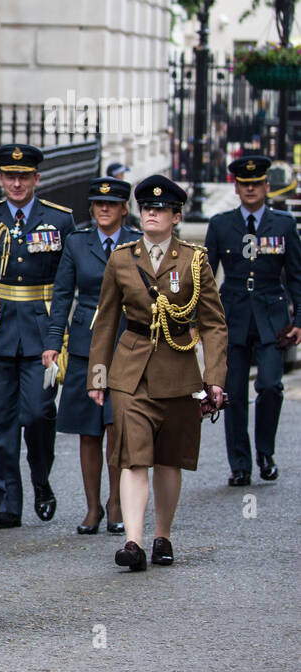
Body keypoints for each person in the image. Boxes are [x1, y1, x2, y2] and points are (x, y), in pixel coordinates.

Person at [88, 176, 227, 572]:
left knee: (169, 459)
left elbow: (214, 324)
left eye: (160, 209)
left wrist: (214, 377)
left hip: (179, 370)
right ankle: (132, 542)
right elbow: (106, 321)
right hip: (130, 372)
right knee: (133, 458)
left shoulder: (194, 261)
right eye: (146, 207)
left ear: (176, 217)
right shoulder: (121, 258)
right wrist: (97, 377)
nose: (151, 212)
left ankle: (161, 535)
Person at [0, 143, 75, 527]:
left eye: (24, 177)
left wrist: (56, 336)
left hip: (39, 330)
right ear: (0, 179)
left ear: (36, 179)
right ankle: (8, 499)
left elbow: (65, 285)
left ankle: (41, 478)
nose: (16, 183)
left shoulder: (59, 220)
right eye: (9, 177)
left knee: (37, 412)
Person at [43, 176, 142, 535]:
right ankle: (91, 507)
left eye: (112, 204)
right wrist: (54, 341)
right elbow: (62, 294)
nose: (104, 209)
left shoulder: (136, 242)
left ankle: (116, 502)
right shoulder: (77, 242)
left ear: (123, 209)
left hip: (126, 339)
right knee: (88, 429)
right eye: (99, 204)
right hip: (86, 342)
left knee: (118, 426)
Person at [205, 155, 301, 486]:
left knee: (271, 385)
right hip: (232, 316)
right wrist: (201, 322)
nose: (250, 189)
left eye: (256, 184)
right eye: (245, 185)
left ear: (266, 187)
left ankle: (265, 451)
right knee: (232, 393)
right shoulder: (220, 225)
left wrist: (299, 317)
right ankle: (240, 465)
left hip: (272, 316)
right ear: (236, 187)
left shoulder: (284, 224)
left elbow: (297, 277)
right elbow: (204, 278)